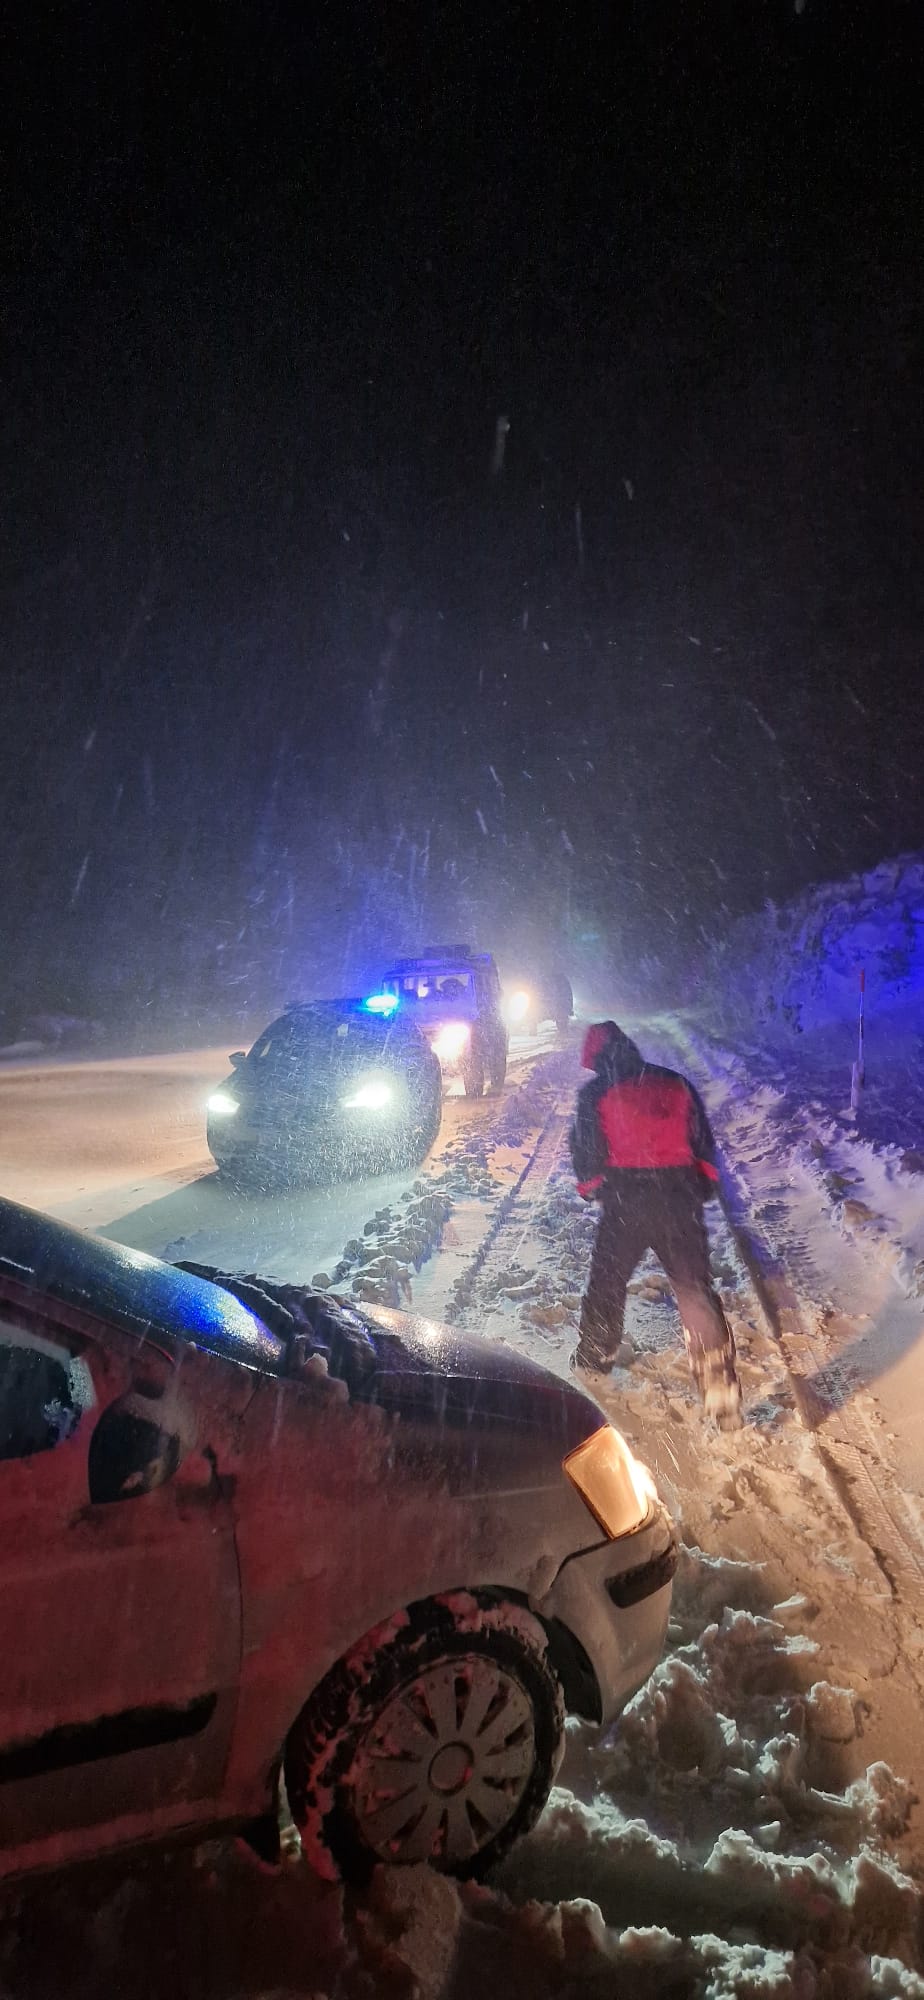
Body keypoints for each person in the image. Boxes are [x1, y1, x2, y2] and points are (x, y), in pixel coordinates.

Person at [569, 1021, 742, 1430]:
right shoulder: (674, 1082)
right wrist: (698, 1187)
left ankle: (595, 1359)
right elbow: (703, 1144)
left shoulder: (595, 1094)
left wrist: (593, 1187)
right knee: (693, 1289)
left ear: (595, 1059)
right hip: (678, 1198)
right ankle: (718, 1386)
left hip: (626, 1202)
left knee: (608, 1282)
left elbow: (587, 1154)